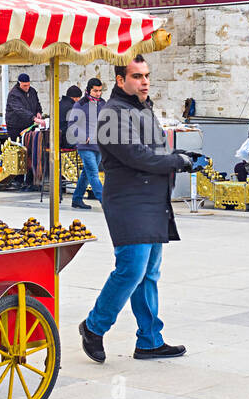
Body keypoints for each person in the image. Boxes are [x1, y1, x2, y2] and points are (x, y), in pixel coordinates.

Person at [78, 55, 202, 362]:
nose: (144, 81)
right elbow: (138, 157)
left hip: (152, 199)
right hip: (129, 201)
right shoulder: (111, 113)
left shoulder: (142, 107)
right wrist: (179, 162)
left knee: (149, 273)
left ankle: (149, 340)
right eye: (137, 76)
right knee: (131, 269)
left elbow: (154, 150)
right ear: (120, 81)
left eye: (146, 75)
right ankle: (93, 327)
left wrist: (180, 154)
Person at [67, 77, 106, 210]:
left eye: (100, 91)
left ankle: (77, 199)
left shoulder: (102, 103)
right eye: (95, 91)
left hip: (99, 144)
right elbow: (72, 124)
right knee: (94, 173)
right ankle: (105, 202)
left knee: (86, 173)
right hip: (85, 145)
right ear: (89, 90)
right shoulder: (80, 104)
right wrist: (84, 137)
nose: (98, 94)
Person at [59, 84, 82, 151]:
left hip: (57, 139)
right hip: (66, 141)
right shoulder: (72, 107)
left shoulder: (59, 104)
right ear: (75, 98)